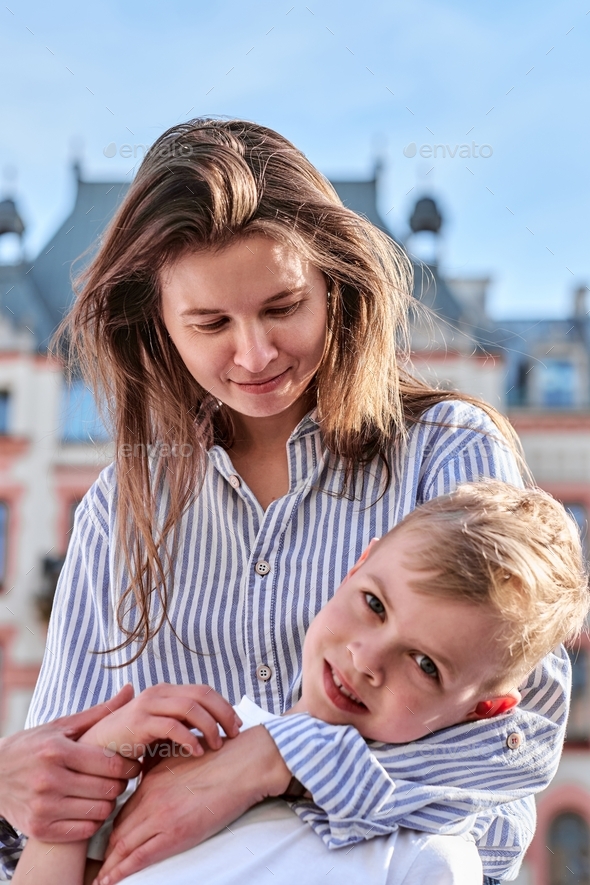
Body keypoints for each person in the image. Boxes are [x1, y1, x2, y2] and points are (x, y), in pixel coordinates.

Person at [0, 118, 573, 885]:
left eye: (282, 307)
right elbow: (50, 805)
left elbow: (519, 741)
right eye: (211, 323)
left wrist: (269, 760)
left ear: (334, 284)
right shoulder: (120, 507)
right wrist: (22, 788)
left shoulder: (445, 451)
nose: (256, 354)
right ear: (158, 323)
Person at [12, 481, 589, 885]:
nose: (367, 659)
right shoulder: (185, 752)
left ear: (483, 711)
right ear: (357, 564)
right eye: (374, 604)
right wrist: (93, 765)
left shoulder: (428, 860)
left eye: (425, 664)